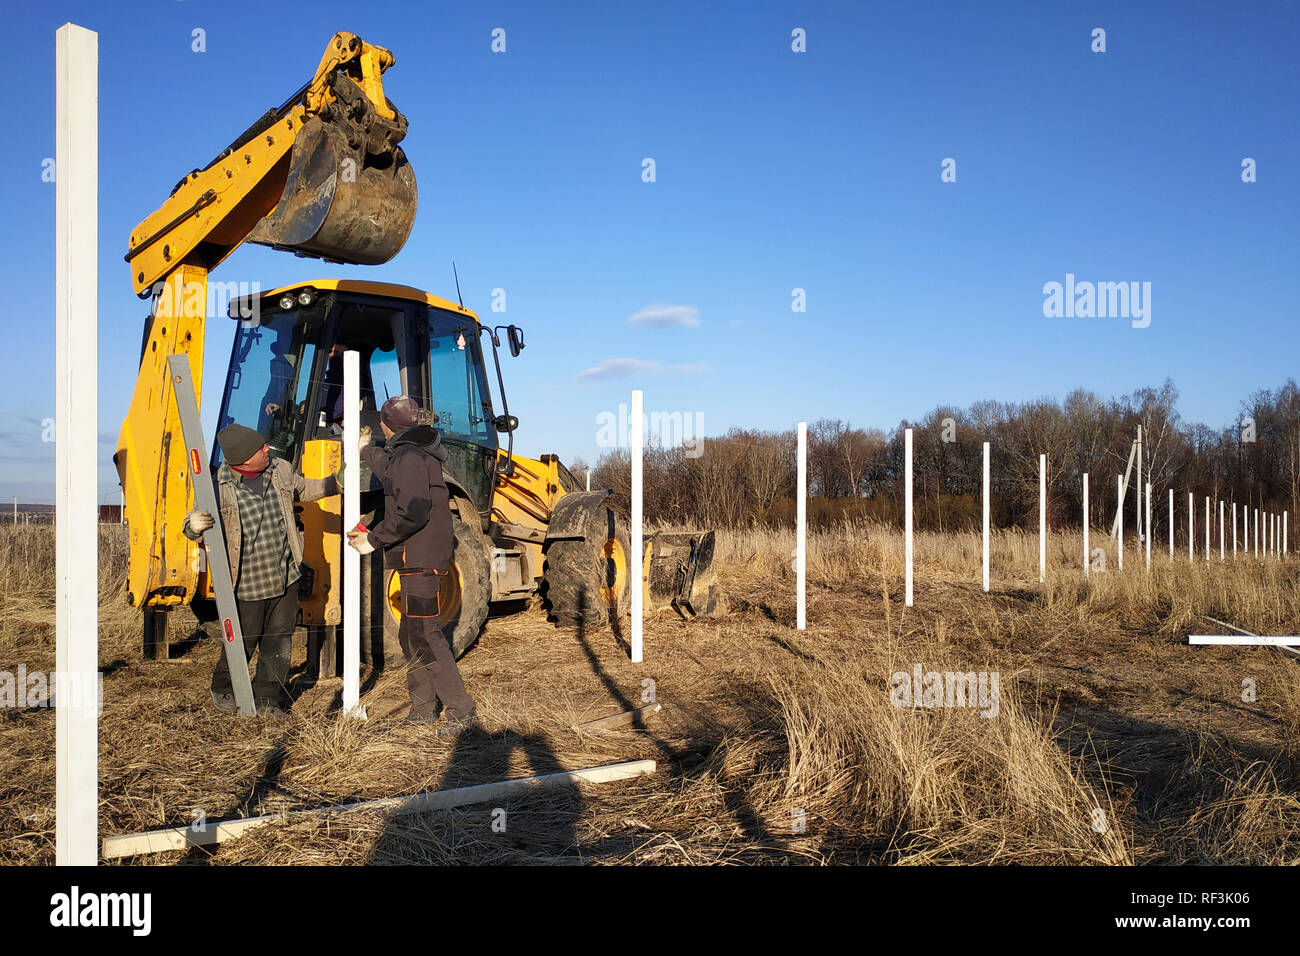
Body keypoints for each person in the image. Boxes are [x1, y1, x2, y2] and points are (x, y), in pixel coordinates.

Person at [183, 423, 339, 717]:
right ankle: (224, 687)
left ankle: (267, 697)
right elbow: (193, 521)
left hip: (285, 574)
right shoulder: (216, 488)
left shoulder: (279, 468)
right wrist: (192, 526)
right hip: (246, 582)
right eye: (260, 448)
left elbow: (304, 488)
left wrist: (336, 483)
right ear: (242, 461)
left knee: (279, 638)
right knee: (242, 638)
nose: (268, 448)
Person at [347, 395, 478, 735]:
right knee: (411, 633)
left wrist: (372, 539)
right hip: (418, 558)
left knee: (424, 634)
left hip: (419, 560)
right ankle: (422, 709)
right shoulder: (412, 452)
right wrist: (365, 451)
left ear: (386, 426)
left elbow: (414, 509)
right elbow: (389, 469)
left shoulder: (408, 456)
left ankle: (462, 712)